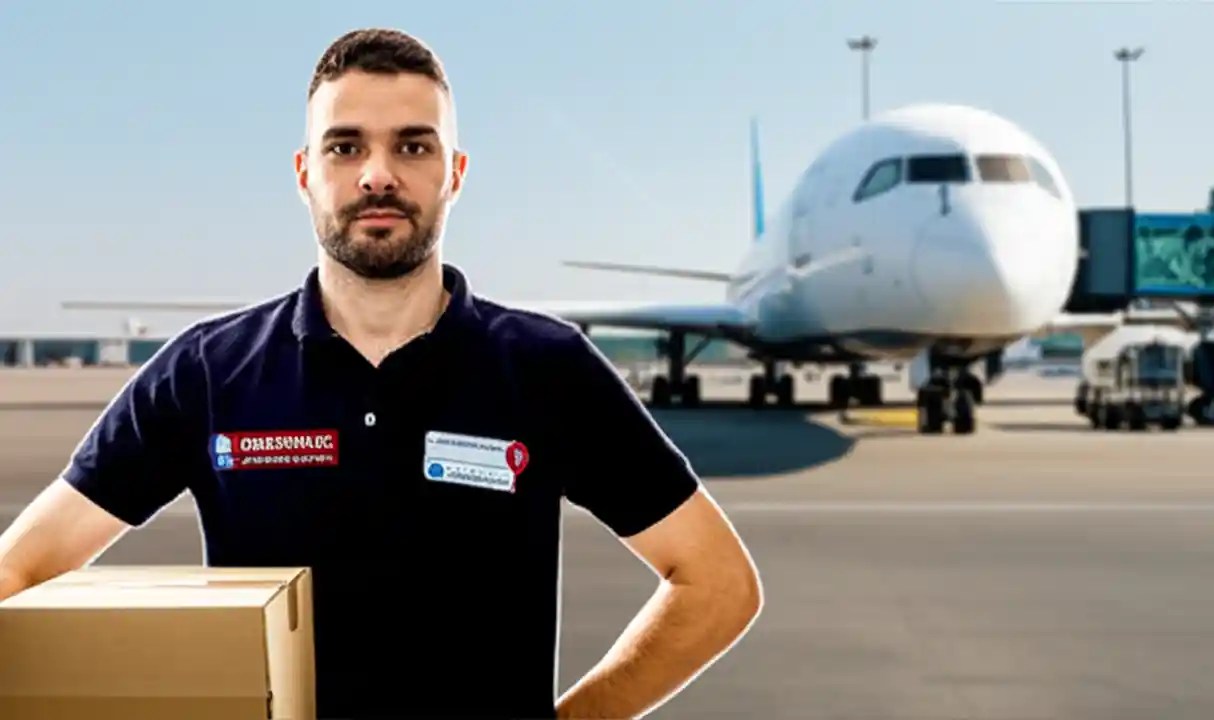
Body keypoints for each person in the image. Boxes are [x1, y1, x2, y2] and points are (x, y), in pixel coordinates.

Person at [0, 27, 762, 720]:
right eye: (345, 147)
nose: (377, 175)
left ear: (455, 173)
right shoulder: (208, 374)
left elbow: (717, 585)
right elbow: (23, 567)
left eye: (413, 146)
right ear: (304, 173)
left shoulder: (546, 370)